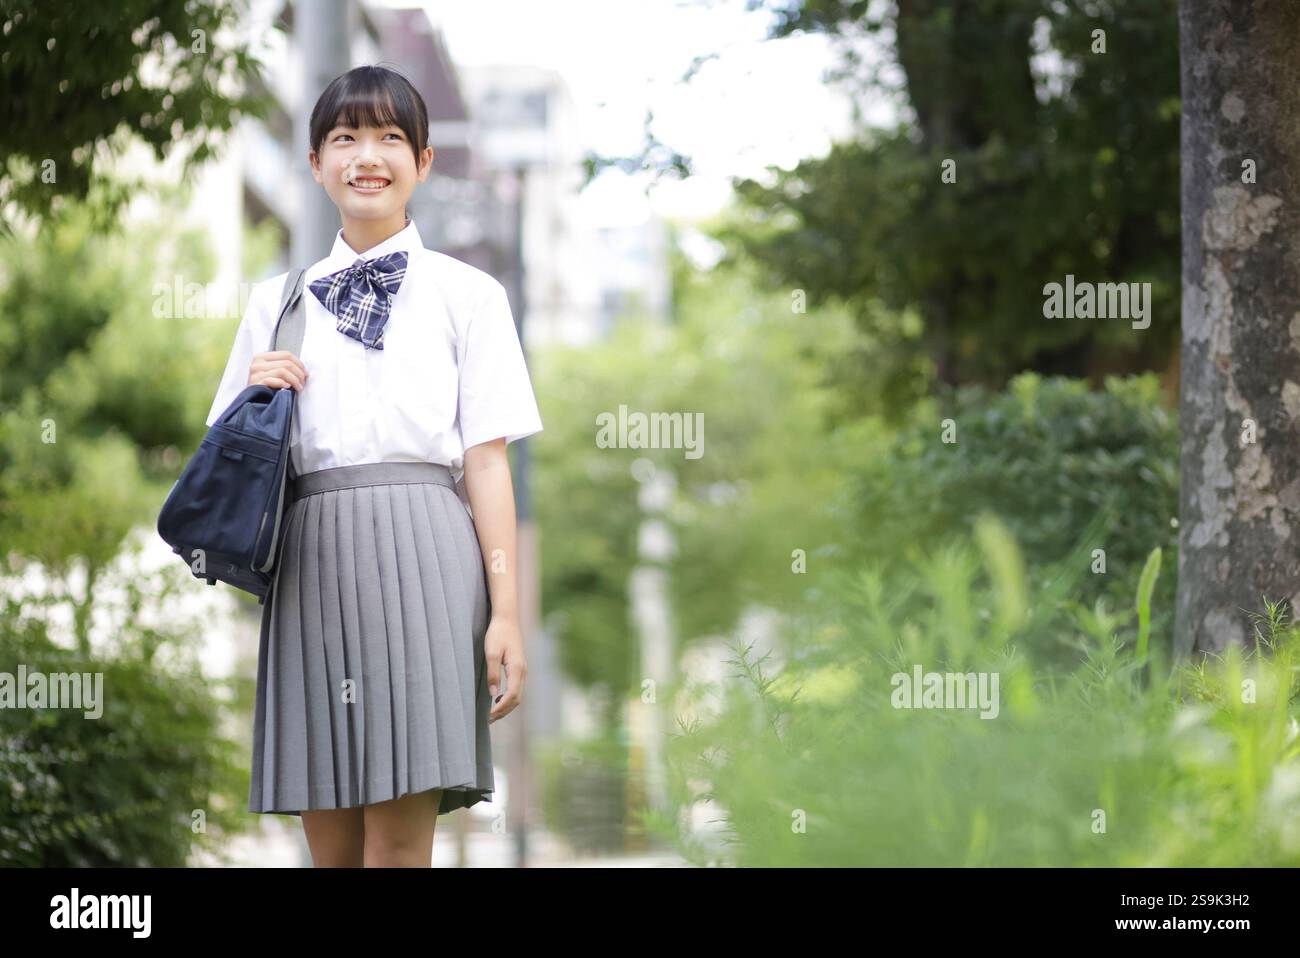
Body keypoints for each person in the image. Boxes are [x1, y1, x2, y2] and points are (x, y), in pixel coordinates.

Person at [204, 64, 543, 867]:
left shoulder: (470, 296)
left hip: (429, 556)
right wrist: (255, 396)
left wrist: (505, 613)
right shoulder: (274, 303)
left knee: (399, 839)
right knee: (330, 840)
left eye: (391, 137)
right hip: (312, 559)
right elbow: (228, 461)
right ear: (316, 162)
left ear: (424, 162)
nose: (368, 155)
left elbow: (487, 464)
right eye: (346, 137)